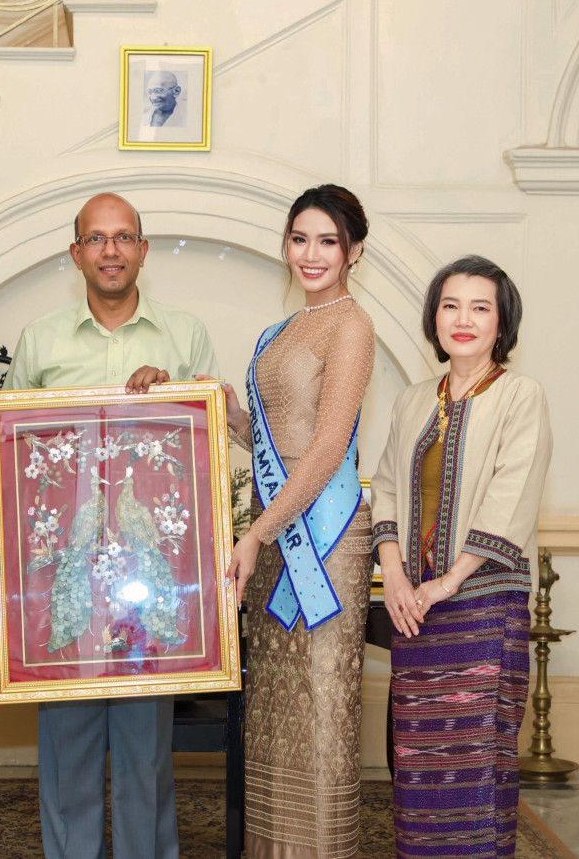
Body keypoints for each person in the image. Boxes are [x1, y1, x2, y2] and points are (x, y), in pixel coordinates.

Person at [5, 192, 219, 859]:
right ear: (76, 254)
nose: (110, 251)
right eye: (96, 239)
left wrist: (175, 399)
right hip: (63, 584)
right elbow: (12, 462)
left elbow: (209, 457)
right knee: (65, 754)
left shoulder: (184, 337)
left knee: (145, 757)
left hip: (146, 590)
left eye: (124, 237)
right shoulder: (39, 342)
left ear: (143, 250)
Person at [369, 255, 553, 859]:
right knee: (417, 764)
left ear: (503, 322)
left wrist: (447, 582)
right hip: (414, 612)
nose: (464, 319)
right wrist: (394, 574)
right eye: (451, 305)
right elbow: (388, 486)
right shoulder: (413, 400)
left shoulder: (520, 396)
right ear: (434, 316)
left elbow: (512, 493)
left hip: (482, 608)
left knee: (475, 763)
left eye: (481, 307)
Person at [218, 184, 376, 858]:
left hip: (325, 538)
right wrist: (224, 411)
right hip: (275, 535)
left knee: (319, 712)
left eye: (328, 242)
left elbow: (329, 445)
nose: (310, 255)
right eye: (300, 239)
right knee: (274, 715)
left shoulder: (352, 325)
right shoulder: (275, 333)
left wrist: (255, 532)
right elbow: (271, 440)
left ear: (353, 252)